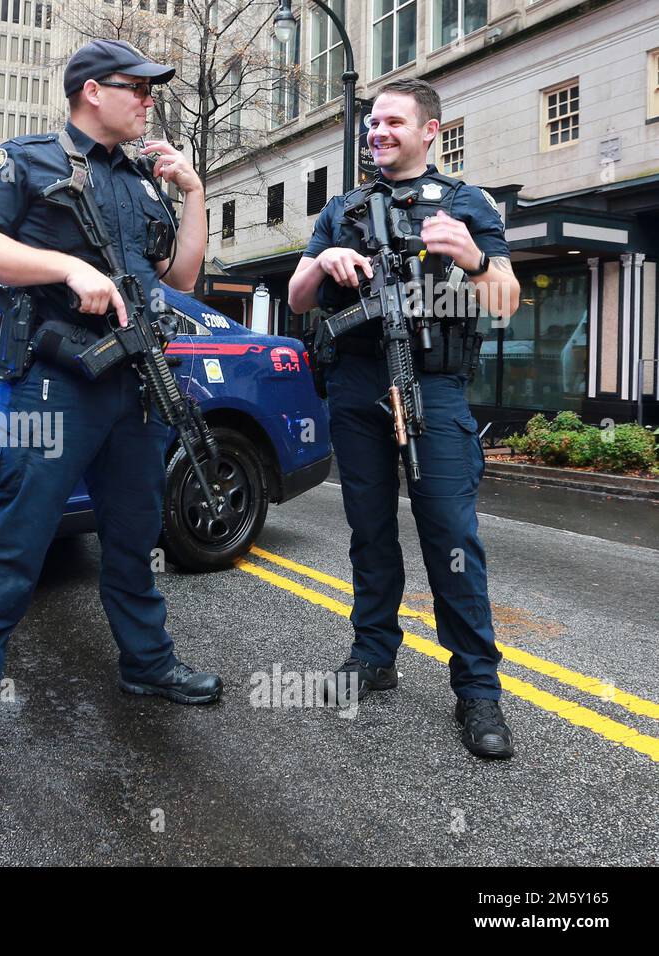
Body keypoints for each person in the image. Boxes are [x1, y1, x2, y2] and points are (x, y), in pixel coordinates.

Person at [0, 39, 218, 796]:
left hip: (135, 385)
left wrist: (193, 194)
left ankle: (147, 666)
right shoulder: (24, 160)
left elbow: (179, 279)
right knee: (11, 549)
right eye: (138, 89)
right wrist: (66, 265)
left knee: (133, 539)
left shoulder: (145, 180)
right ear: (91, 91)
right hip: (51, 386)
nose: (149, 101)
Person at [288, 78, 522, 759]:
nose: (377, 132)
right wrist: (323, 261)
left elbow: (505, 299)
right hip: (358, 381)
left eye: (391, 121)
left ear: (431, 132)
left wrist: (473, 256)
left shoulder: (466, 204)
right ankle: (373, 656)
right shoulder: (343, 208)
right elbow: (301, 296)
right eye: (371, 123)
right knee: (368, 527)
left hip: (436, 385)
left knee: (451, 532)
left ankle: (477, 689)